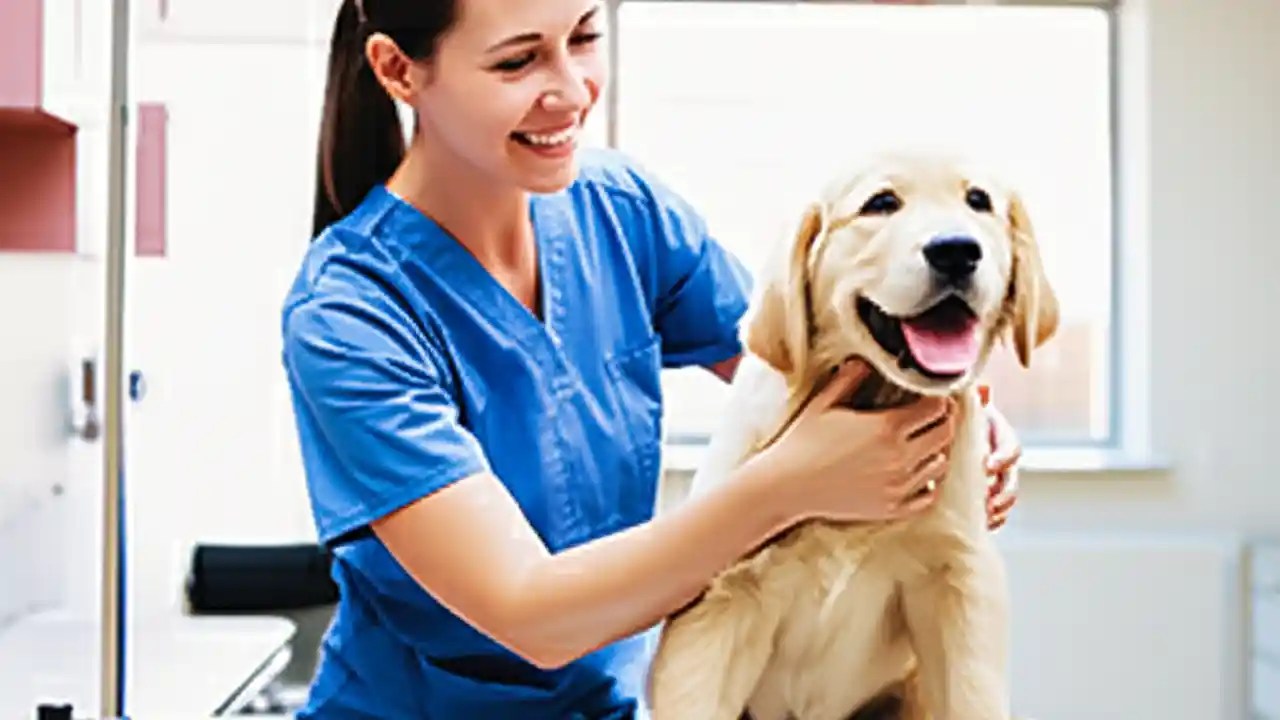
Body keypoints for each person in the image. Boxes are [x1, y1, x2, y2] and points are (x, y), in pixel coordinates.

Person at [280, 0, 1024, 717]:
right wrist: (786, 487)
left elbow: (805, 353)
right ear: (398, 70)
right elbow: (532, 615)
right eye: (518, 61)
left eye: (583, 36)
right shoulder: (349, 315)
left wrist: (955, 414)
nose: (571, 91)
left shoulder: (620, 210)